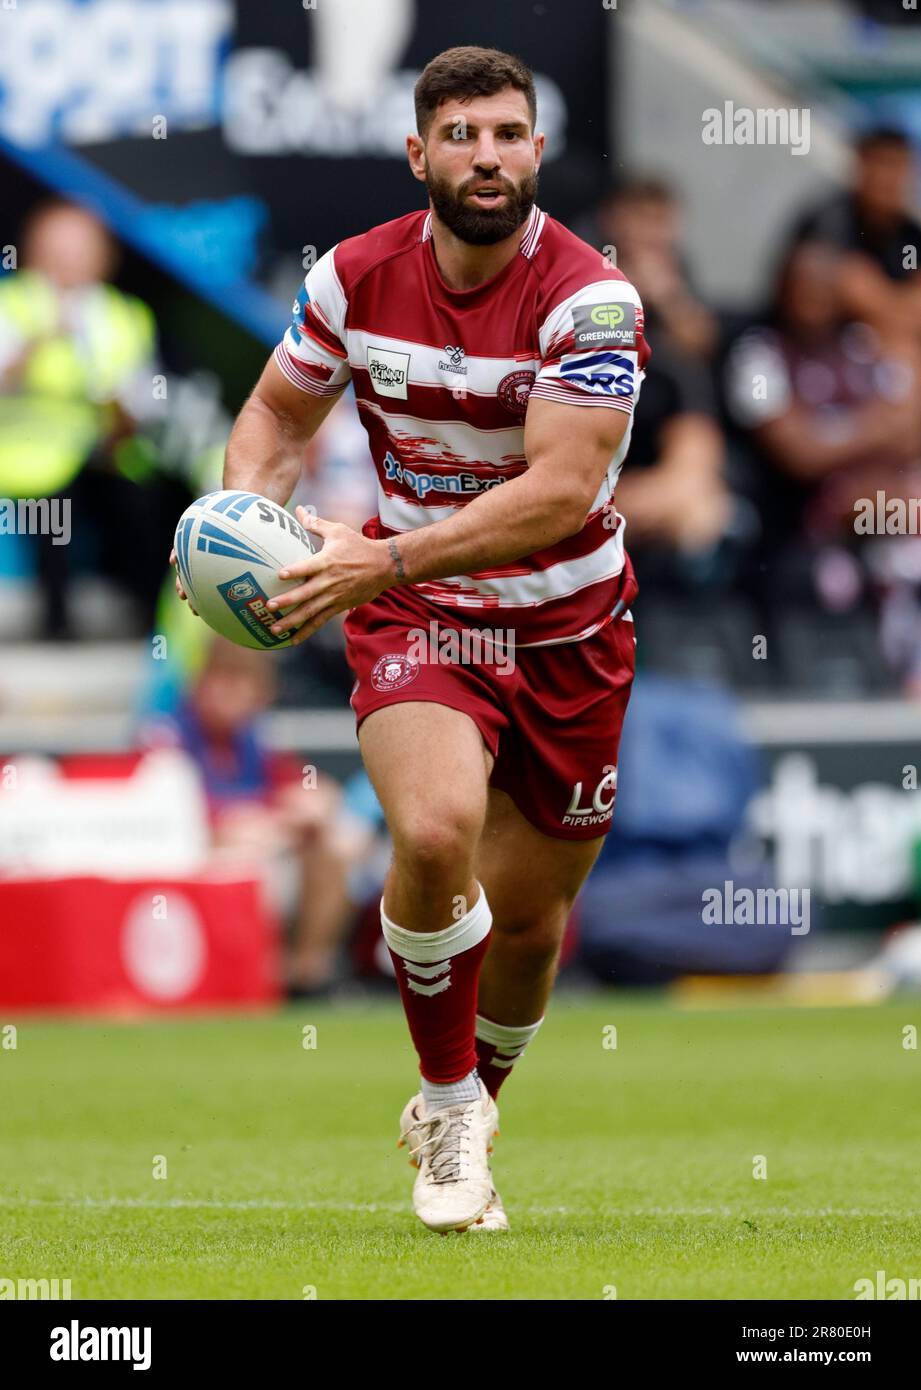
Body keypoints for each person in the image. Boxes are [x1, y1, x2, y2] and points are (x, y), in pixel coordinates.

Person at [173, 46, 648, 1234]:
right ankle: (445, 1109)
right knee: (434, 833)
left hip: (567, 630)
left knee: (532, 926)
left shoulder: (594, 301)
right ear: (419, 155)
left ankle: (471, 1107)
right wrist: (251, 530)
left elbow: (558, 489)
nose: (485, 155)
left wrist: (376, 555)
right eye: (461, 135)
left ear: (536, 151)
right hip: (420, 615)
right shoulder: (350, 278)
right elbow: (280, 414)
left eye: (506, 133)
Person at [144, 635, 367, 995]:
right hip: (187, 865)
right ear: (201, 683)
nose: (233, 695)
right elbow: (178, 814)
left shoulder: (251, 737)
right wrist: (265, 820)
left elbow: (307, 790)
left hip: (260, 853)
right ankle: (254, 979)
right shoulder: (169, 734)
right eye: (224, 681)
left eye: (244, 685)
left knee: (336, 843)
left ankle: (305, 976)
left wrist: (305, 807)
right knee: (252, 851)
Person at [0, 200, 177, 636]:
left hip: (98, 453)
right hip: (20, 460)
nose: (68, 264)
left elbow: (139, 415)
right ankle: (55, 626)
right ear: (33, 252)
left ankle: (150, 621)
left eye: (80, 251)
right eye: (57, 252)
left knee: (146, 496)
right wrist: (39, 339)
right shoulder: (12, 304)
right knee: (52, 505)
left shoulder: (125, 316)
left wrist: (113, 397)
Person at [788, 127, 921, 347]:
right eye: (882, 163)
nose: (889, 178)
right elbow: (846, 286)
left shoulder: (910, 237)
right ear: (861, 163)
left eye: (898, 165)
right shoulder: (830, 219)